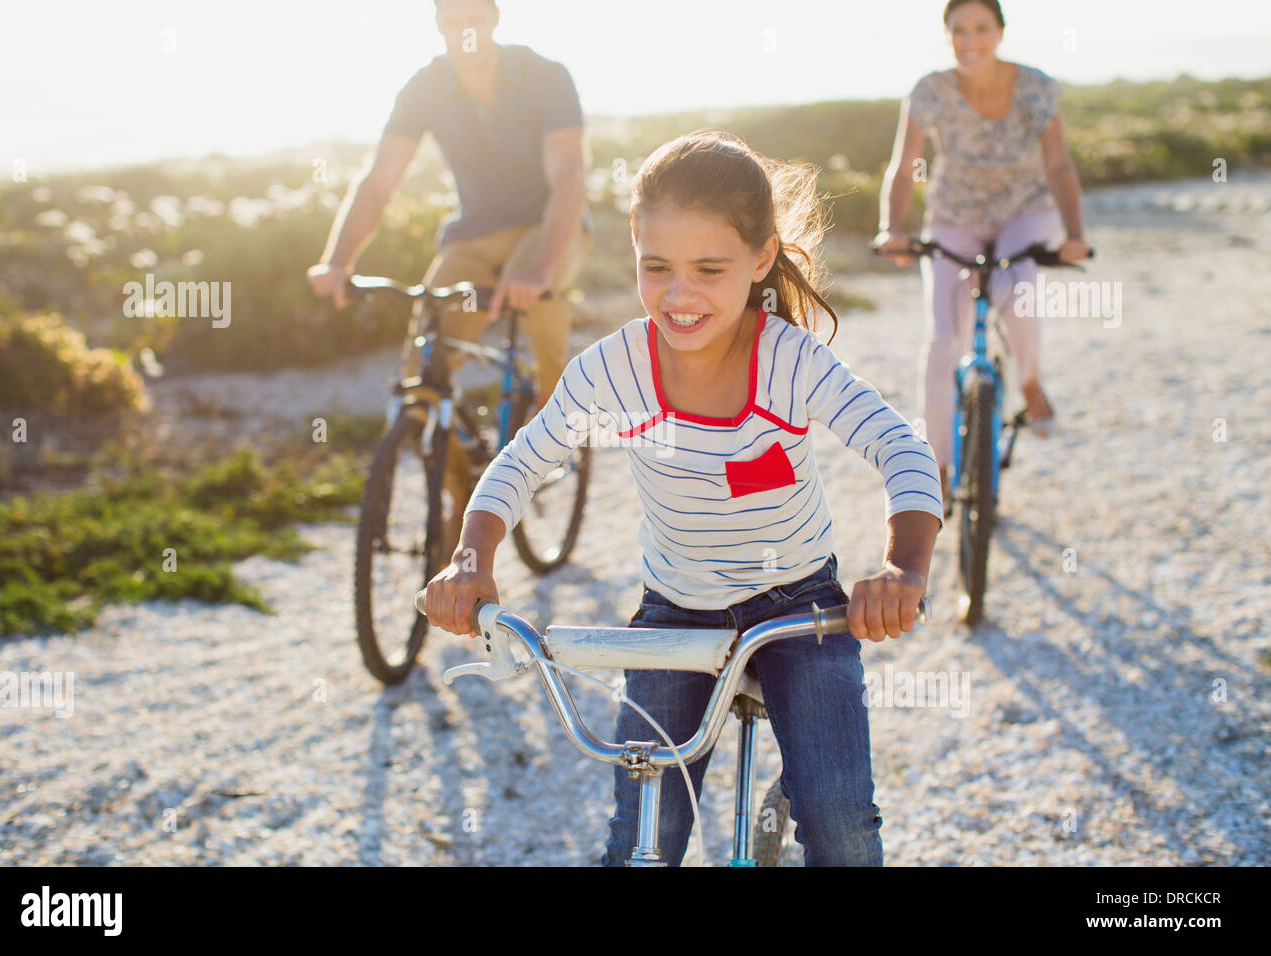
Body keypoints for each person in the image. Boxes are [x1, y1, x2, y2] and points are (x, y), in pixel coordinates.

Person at [423, 130, 944, 866]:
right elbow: (520, 462)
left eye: (709, 268)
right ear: (633, 252)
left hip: (799, 606)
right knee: (646, 837)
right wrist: (470, 559)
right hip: (676, 607)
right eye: (655, 266)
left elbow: (903, 448)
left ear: (761, 260)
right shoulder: (614, 369)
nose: (678, 294)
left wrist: (905, 569)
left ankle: (806, 796)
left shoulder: (789, 362)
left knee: (838, 822)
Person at [308, 0, 592, 546]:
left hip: (548, 227)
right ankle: (464, 495)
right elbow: (379, 180)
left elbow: (569, 174)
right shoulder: (425, 86)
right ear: (438, 25)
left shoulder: (545, 75)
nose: (464, 31)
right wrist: (338, 259)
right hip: (473, 236)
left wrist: (536, 267)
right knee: (422, 374)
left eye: (474, 19)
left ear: (494, 18)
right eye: (451, 21)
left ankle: (552, 430)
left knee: (542, 332)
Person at [874, 0, 1089, 508]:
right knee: (943, 341)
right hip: (954, 219)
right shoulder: (930, 91)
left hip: (1024, 213)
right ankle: (939, 468)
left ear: (1000, 32)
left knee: (1018, 294)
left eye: (980, 29)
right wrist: (892, 229)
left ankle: (1031, 382)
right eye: (958, 31)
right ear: (946, 34)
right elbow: (905, 167)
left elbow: (1058, 166)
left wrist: (1074, 233)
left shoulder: (1036, 86)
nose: (969, 40)